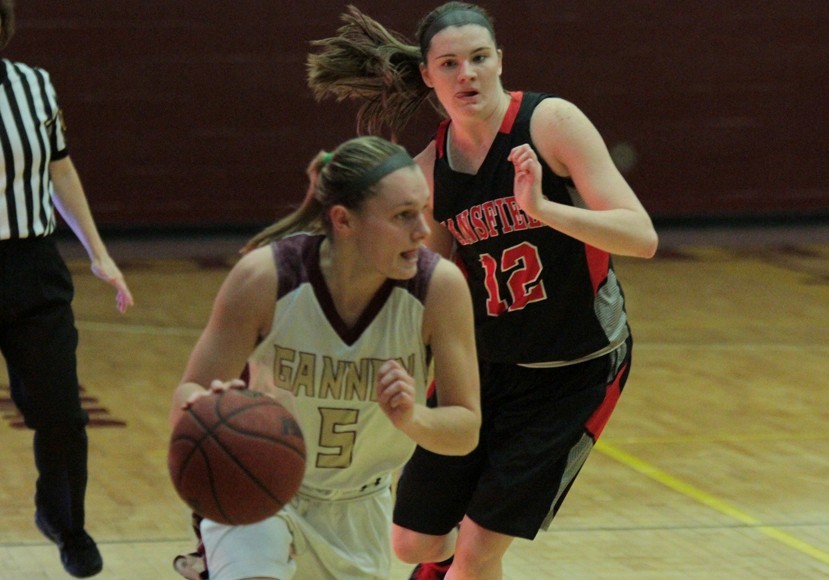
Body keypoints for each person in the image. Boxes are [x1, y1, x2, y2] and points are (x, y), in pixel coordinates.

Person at [307, 4, 659, 579]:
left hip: (574, 369)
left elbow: (641, 236)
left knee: (477, 551)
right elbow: (424, 282)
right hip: (482, 368)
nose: (466, 73)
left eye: (478, 58)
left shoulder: (549, 124)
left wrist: (543, 209)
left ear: (499, 61)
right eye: (449, 63)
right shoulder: (429, 173)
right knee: (412, 544)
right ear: (428, 76)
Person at [168, 135, 481, 580]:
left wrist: (412, 417)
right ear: (343, 220)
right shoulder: (266, 277)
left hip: (360, 507)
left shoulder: (439, 289)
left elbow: (466, 429)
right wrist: (202, 408)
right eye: (403, 216)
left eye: (423, 210)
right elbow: (188, 390)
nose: (423, 231)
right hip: (264, 491)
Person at [0, 1, 134, 577]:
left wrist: (99, 254)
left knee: (60, 413)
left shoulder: (34, 85)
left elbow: (59, 169)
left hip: (32, 265)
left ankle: (65, 524)